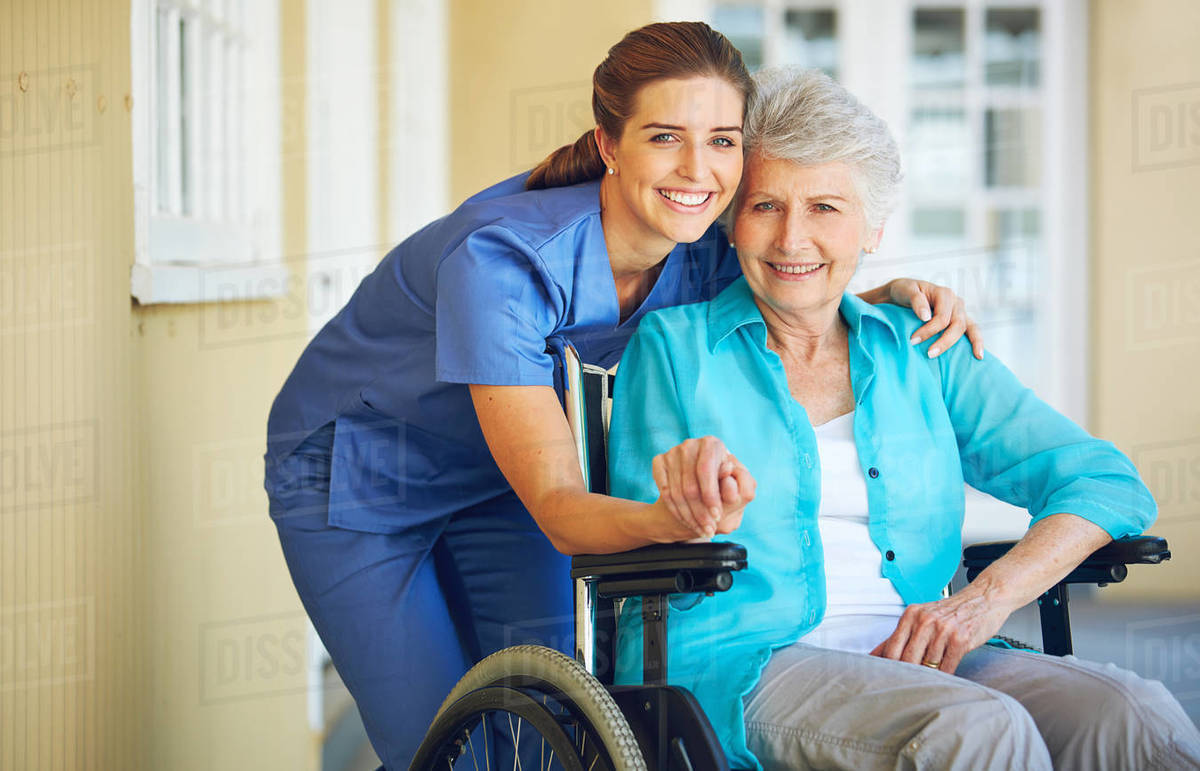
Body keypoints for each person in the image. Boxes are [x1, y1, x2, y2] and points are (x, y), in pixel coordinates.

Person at [264, 23, 980, 769]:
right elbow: (559, 507)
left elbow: (796, 280)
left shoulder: (701, 245)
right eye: (666, 137)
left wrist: (888, 295)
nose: (698, 169)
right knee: (451, 749)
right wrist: (665, 519)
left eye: (724, 140)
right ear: (609, 144)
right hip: (361, 482)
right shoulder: (502, 263)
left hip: (499, 478)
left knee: (552, 730)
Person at [607, 67, 1200, 770]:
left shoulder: (922, 347)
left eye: (826, 207)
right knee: (978, 730)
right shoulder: (675, 348)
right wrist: (689, 497)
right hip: (742, 665)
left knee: (1135, 717)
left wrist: (983, 601)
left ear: (875, 227)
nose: (792, 238)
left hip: (919, 651)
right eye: (766, 205)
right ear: (734, 220)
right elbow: (640, 525)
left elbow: (1104, 481)